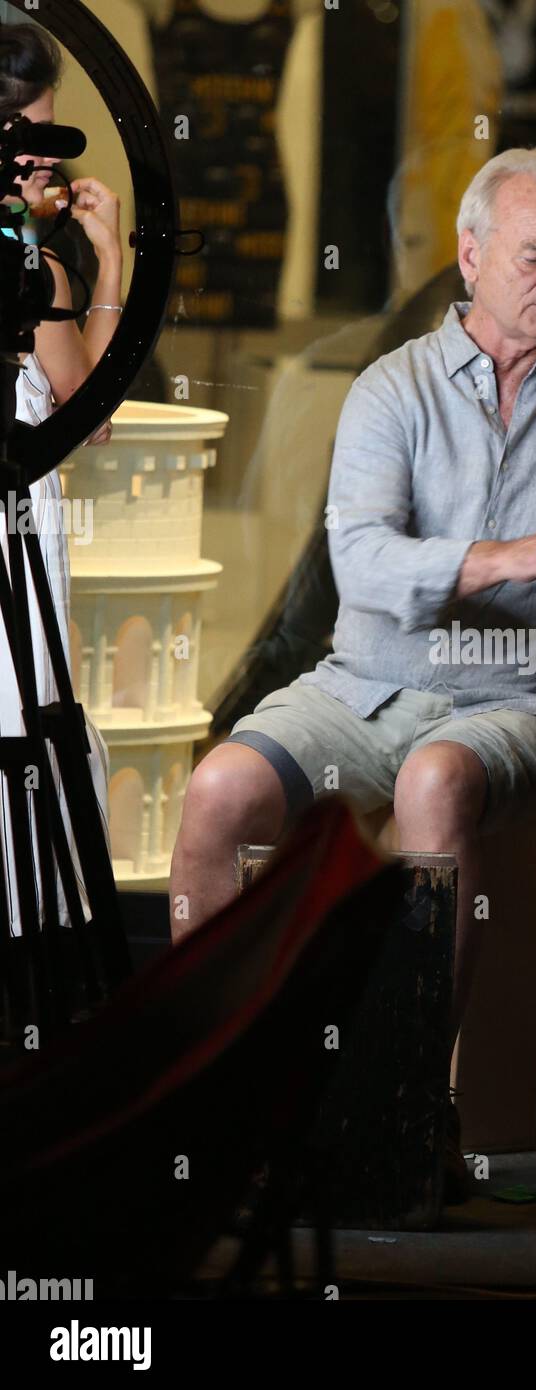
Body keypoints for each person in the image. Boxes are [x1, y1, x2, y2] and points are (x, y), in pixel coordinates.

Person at [170, 146, 536, 1188]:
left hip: (522, 705)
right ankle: (217, 1091)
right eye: (534, 255)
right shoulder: (391, 389)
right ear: (470, 256)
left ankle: (408, 1119)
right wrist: (500, 558)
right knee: (219, 789)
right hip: (361, 688)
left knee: (435, 778)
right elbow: (360, 560)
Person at [1, 23, 122, 935]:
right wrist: (110, 257)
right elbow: (95, 412)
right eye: (34, 135)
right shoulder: (28, 270)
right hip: (12, 537)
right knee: (20, 726)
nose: (48, 156)